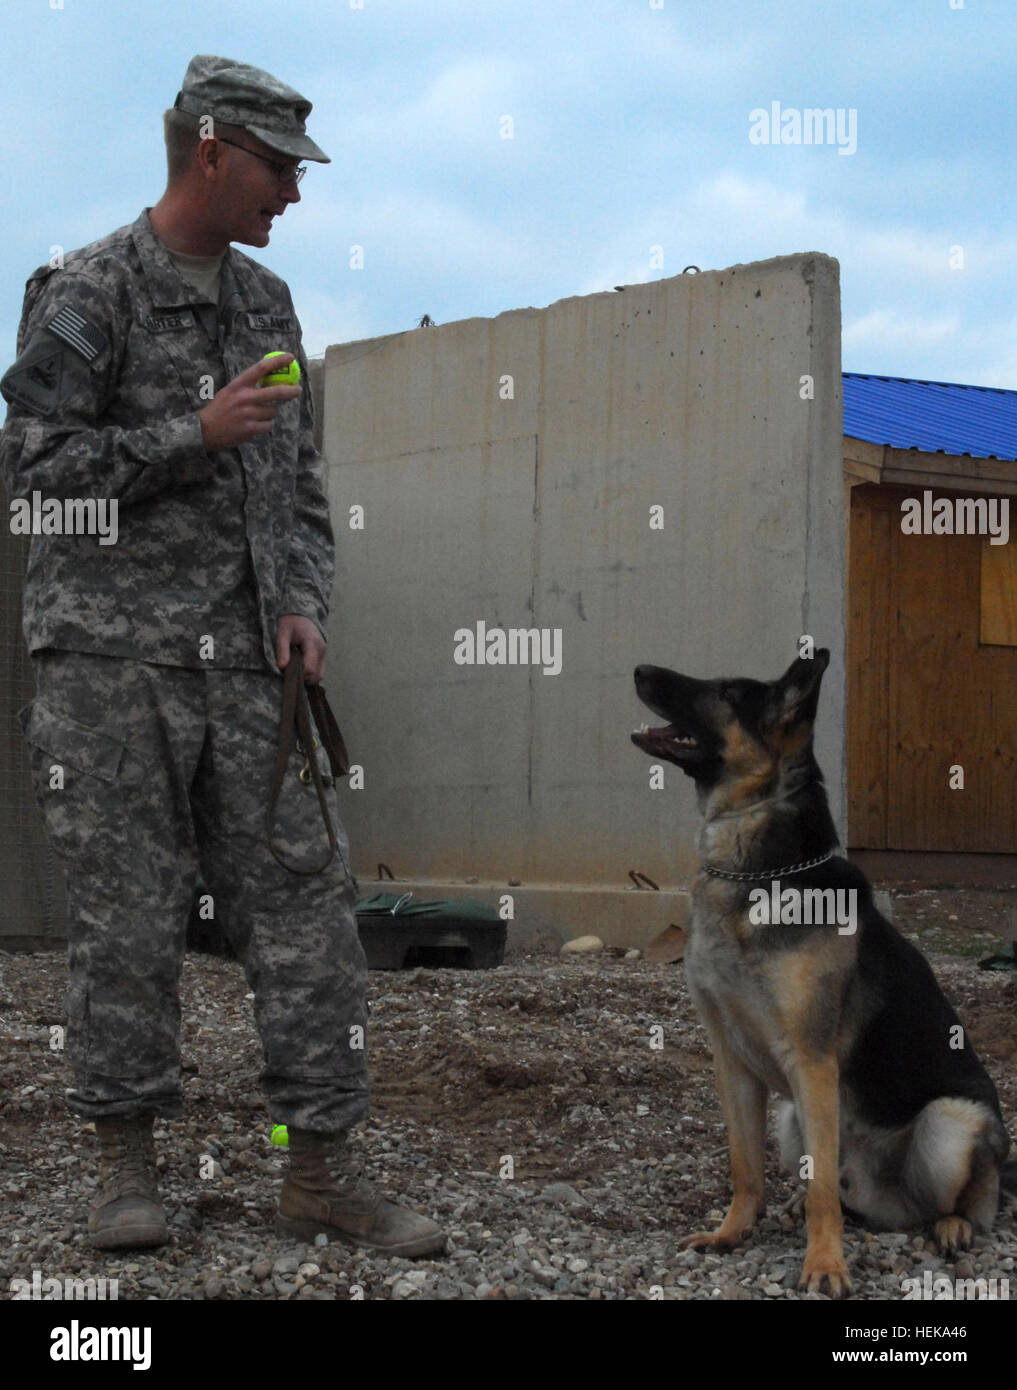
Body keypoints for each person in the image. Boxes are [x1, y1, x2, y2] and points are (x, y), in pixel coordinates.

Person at [0, 54, 445, 1259]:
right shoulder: (86, 290)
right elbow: (31, 477)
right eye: (276, 167)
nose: (293, 194)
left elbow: (300, 481)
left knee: (306, 913)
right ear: (210, 150)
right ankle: (125, 1170)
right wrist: (186, 436)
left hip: (255, 665)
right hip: (112, 662)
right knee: (128, 921)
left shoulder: (272, 306)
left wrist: (302, 602)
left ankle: (319, 1173)